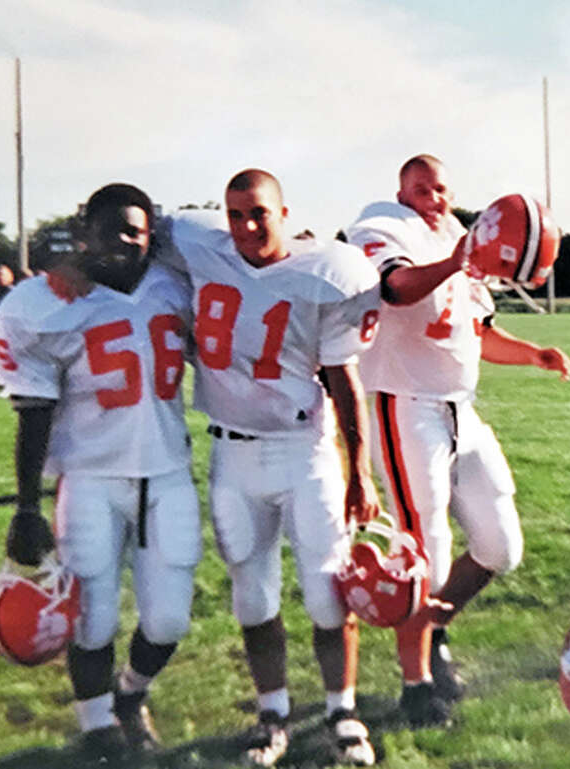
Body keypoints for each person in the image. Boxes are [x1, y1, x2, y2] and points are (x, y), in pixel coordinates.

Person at [159, 169, 381, 767]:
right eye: (235, 215)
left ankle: (342, 710)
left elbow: (344, 381)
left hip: (304, 451)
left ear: (284, 213)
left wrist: (360, 471)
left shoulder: (325, 273)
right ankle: (273, 713)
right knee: (252, 600)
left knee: (327, 594)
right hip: (232, 455)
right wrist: (74, 264)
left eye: (258, 213)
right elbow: (131, 229)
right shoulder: (200, 245)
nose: (247, 227)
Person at [345, 154, 570, 726]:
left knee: (500, 546)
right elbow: (395, 288)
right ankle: (416, 683)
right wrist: (456, 260)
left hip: (460, 410)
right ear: (402, 191)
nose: (434, 198)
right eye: (421, 189)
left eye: (441, 188)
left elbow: (479, 332)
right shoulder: (381, 224)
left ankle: (435, 628)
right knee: (426, 545)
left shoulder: (456, 234)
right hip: (403, 402)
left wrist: (533, 355)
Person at [0, 183, 200, 762]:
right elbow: (34, 413)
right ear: (84, 232)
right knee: (93, 618)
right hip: (89, 477)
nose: (124, 241)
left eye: (135, 231)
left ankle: (130, 695)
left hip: (167, 473)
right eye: (111, 230)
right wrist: (27, 506)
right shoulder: (43, 303)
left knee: (169, 620)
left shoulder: (174, 284)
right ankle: (97, 726)